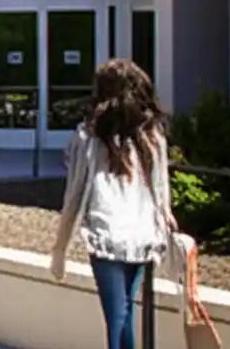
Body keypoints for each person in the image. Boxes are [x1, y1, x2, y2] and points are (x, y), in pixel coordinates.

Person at [51, 59, 173, 349]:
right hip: (141, 234)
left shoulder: (89, 137)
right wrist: (165, 219)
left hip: (106, 233)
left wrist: (60, 249)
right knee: (125, 309)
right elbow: (161, 190)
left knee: (117, 314)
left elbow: (75, 195)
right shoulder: (152, 135)